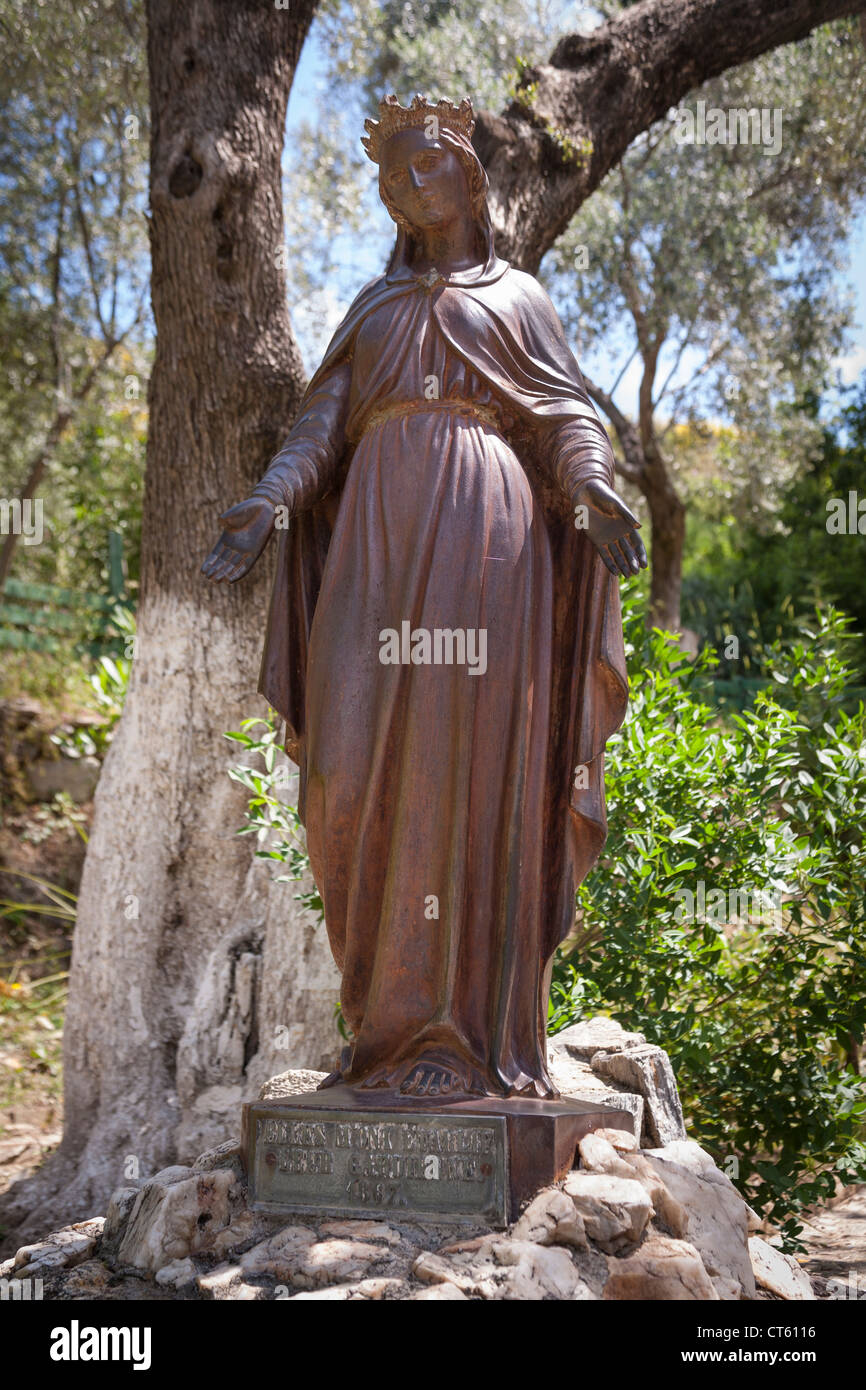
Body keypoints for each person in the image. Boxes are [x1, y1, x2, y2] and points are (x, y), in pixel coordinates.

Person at [202, 95, 646, 1102]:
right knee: (346, 777)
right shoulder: (370, 307)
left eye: (425, 168)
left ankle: (468, 1040)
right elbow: (320, 423)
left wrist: (586, 486)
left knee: (469, 761)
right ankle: (385, 1031)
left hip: (486, 541)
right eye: (391, 178)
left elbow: (564, 413)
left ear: (469, 178)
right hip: (371, 542)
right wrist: (270, 501)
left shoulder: (517, 298)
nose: (409, 187)